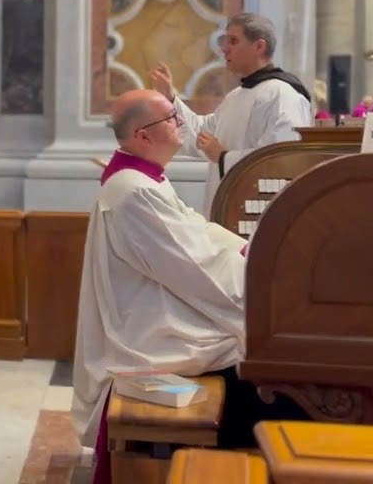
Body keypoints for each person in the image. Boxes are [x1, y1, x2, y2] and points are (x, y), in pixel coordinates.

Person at [70, 89, 305, 483]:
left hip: (159, 319)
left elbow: (198, 234)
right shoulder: (134, 191)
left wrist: (249, 250)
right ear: (144, 135)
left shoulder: (143, 180)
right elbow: (195, 267)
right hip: (155, 340)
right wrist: (265, 277)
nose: (181, 122)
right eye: (171, 118)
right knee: (281, 388)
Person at [150, 13, 312, 217]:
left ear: (259, 46)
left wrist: (224, 157)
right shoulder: (235, 97)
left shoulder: (283, 95)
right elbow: (201, 135)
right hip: (227, 209)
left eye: (233, 41)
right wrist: (170, 98)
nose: (224, 48)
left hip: (259, 214)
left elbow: (281, 158)